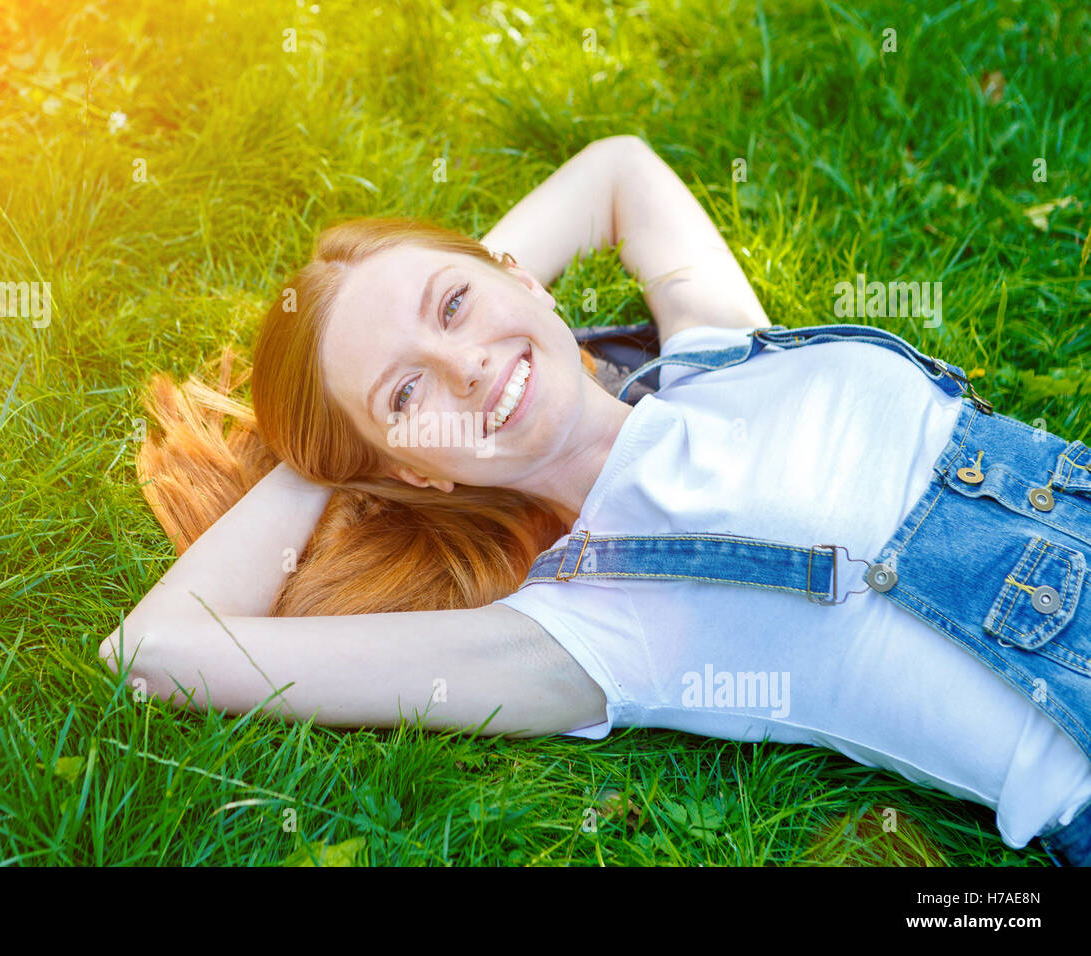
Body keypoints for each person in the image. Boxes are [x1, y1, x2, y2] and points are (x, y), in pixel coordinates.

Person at [100, 135, 1091, 865]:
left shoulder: (723, 349)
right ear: (414, 472)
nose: (465, 365)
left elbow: (617, 172)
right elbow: (150, 651)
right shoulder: (589, 628)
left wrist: (454, 311)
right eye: (408, 392)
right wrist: (324, 461)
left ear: (520, 275)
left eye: (452, 305)